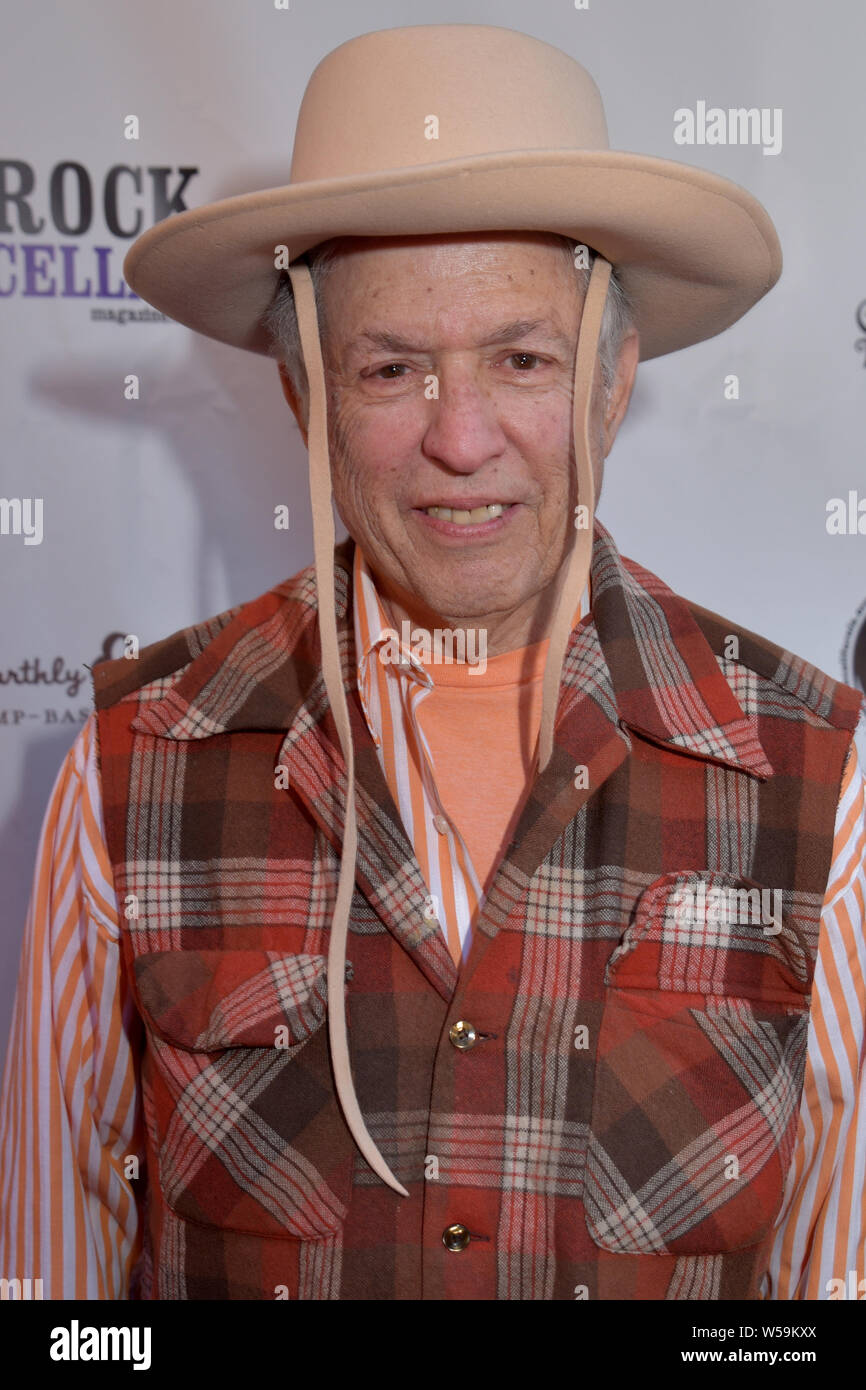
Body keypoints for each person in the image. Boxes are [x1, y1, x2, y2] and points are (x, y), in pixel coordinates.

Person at [1, 23, 864, 1302]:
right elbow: (55, 1298)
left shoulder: (813, 781)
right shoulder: (135, 770)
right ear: (306, 400)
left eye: (521, 360)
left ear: (611, 382)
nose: (460, 441)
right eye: (391, 368)